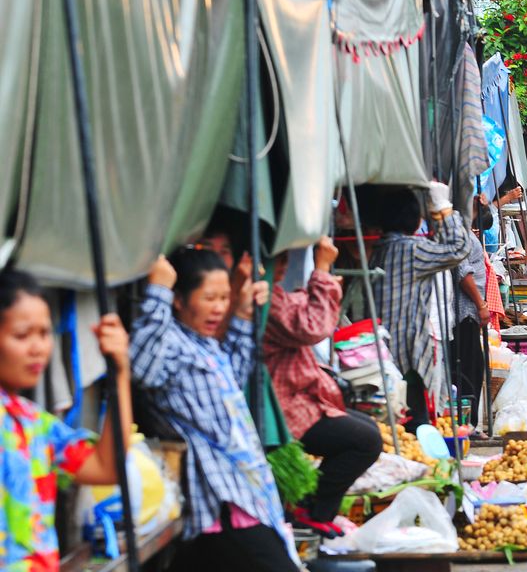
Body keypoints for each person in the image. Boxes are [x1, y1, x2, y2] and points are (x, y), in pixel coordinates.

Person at [131, 250, 298, 571]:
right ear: (179, 300)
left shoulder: (202, 344)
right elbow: (140, 367)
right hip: (223, 502)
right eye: (209, 298)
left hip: (245, 492)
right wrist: (158, 293)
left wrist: (244, 314)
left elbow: (233, 379)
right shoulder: (169, 343)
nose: (219, 308)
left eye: (224, 298)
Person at [0, 269, 133, 570]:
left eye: (44, 333)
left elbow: (107, 468)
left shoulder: (34, 423)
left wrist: (120, 375)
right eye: (22, 335)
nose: (38, 348)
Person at [265, 235, 381, 538]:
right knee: (365, 440)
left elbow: (301, 311)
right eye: (277, 259)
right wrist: (322, 270)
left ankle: (314, 506)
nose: (283, 265)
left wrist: (323, 281)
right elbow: (312, 326)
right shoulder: (263, 299)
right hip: (280, 406)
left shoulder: (273, 295)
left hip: (297, 397)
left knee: (367, 429)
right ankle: (312, 508)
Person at [369, 182, 471, 432]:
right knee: (416, 423)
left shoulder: (377, 249)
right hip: (407, 352)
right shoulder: (411, 250)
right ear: (416, 221)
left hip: (378, 352)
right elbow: (458, 249)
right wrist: (443, 209)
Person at [451, 204, 492, 428]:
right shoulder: (458, 232)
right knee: (469, 370)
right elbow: (462, 271)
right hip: (464, 311)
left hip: (468, 312)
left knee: (473, 368)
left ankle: (468, 423)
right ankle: (467, 425)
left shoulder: (462, 230)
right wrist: (480, 304)